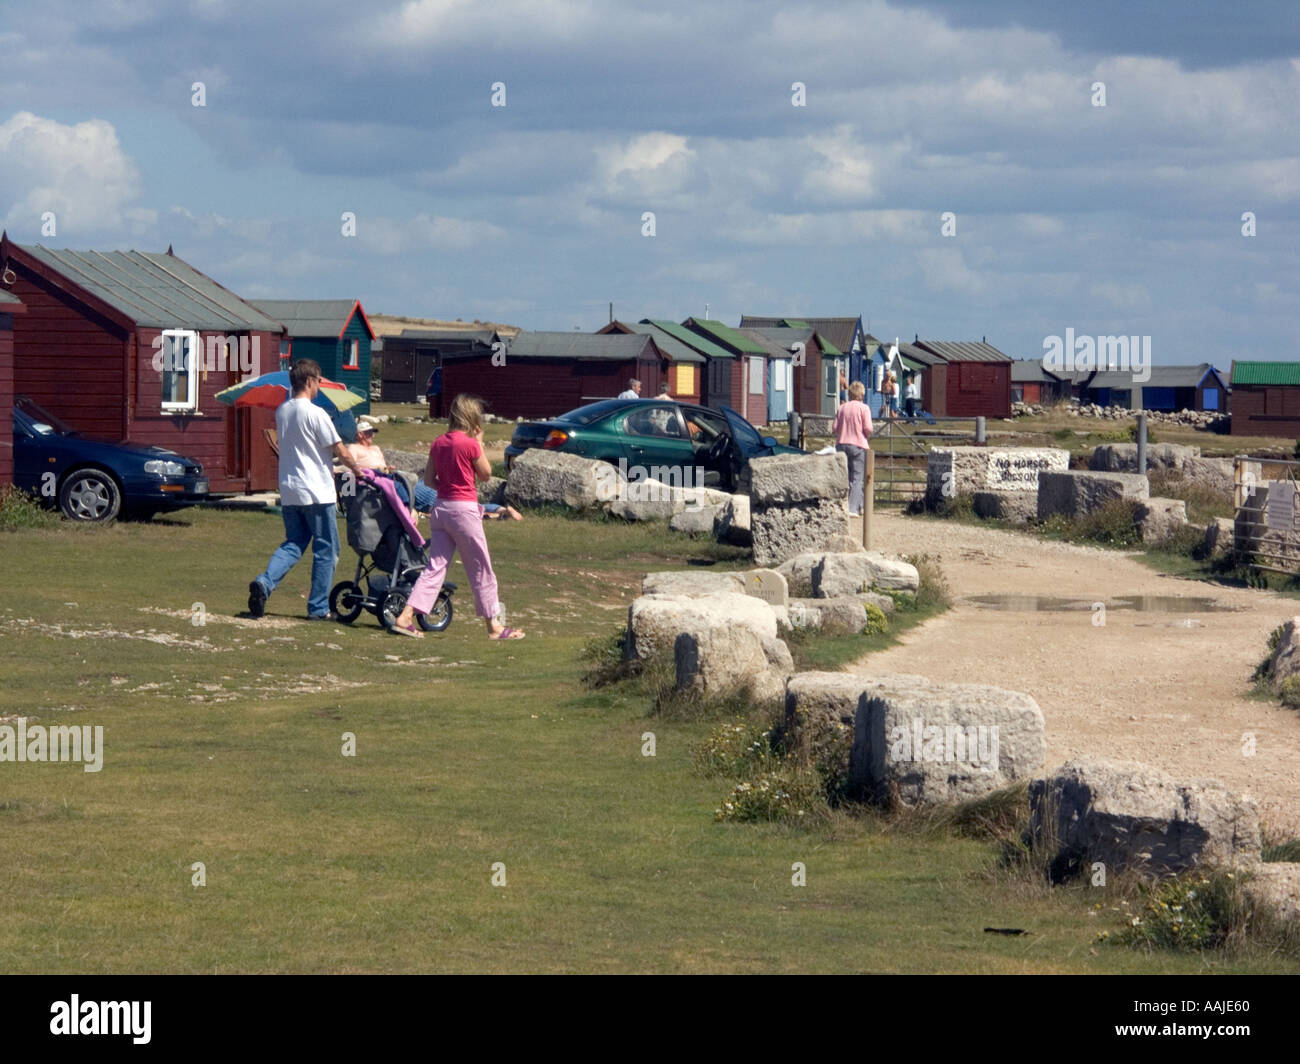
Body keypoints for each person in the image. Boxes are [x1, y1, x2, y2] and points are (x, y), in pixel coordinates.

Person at [392, 394, 524, 640]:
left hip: (440, 509)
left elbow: (429, 481)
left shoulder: (438, 442)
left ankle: (406, 616)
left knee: (435, 567)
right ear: (472, 418)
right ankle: (493, 626)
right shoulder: (471, 444)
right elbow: (485, 474)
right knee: (481, 567)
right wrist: (480, 442)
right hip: (464, 510)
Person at [248, 360, 364, 621]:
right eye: (319, 382)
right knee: (326, 550)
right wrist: (358, 471)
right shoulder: (316, 413)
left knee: (294, 543)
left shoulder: (282, 412)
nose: (319, 387)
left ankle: (265, 582)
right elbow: (340, 449)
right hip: (317, 492)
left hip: (290, 491)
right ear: (310, 381)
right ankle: (318, 607)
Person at [344, 421, 521, 521]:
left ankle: (498, 510)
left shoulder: (375, 449)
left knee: (447, 499)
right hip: (385, 484)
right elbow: (349, 467)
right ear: (359, 434)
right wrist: (377, 468)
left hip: (396, 481)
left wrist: (386, 468)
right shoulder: (354, 448)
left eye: (372, 432)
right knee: (449, 500)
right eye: (367, 433)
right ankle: (499, 510)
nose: (371, 435)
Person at [832, 380, 873, 517]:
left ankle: (861, 506)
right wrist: (866, 435)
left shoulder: (842, 408)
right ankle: (852, 508)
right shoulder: (864, 408)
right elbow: (868, 428)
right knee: (857, 478)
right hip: (858, 444)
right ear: (861, 394)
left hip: (841, 443)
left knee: (848, 477)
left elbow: (834, 428)